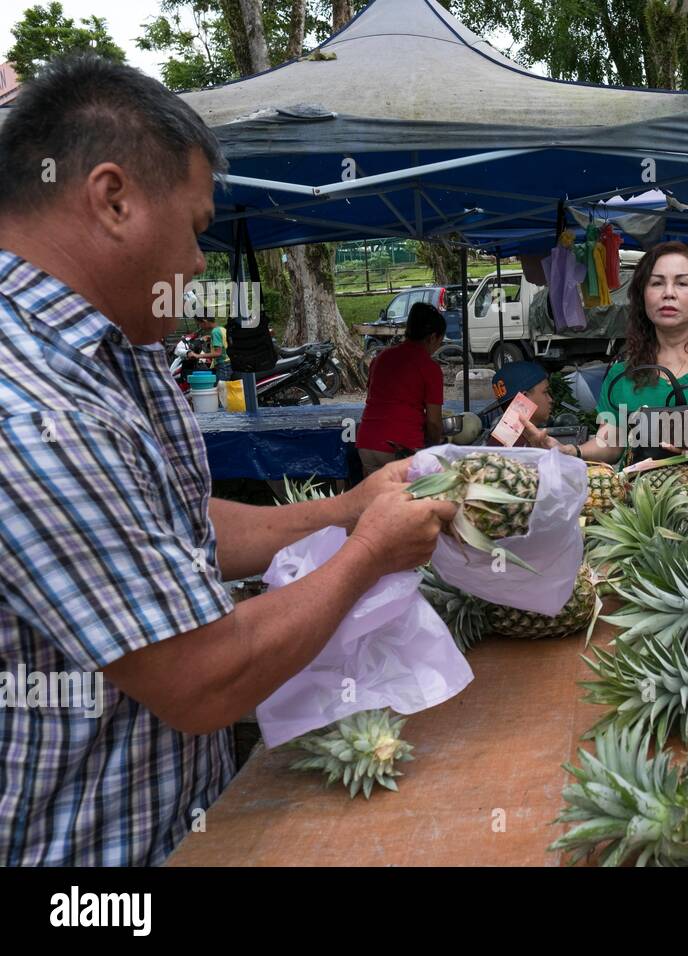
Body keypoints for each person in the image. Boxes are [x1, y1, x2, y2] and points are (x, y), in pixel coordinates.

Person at [0, 57, 455, 866]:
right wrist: (367, 552)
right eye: (197, 227)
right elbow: (202, 677)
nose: (202, 262)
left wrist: (346, 510)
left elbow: (175, 522)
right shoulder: (33, 408)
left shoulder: (118, 354)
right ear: (113, 200)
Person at [531, 241, 688, 463]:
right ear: (643, 296)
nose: (668, 293)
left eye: (682, 283)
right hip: (643, 504)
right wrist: (573, 452)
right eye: (657, 283)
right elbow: (610, 441)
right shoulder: (623, 367)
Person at [355, 302, 446, 475]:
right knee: (404, 500)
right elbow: (434, 422)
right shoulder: (429, 368)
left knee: (377, 500)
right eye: (439, 342)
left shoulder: (381, 358)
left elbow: (376, 399)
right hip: (400, 448)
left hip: (367, 444)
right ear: (433, 337)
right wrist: (435, 447)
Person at [192, 313, 232, 380]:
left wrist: (197, 355)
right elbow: (223, 341)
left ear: (205, 321)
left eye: (199, 324)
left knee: (221, 388)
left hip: (223, 364)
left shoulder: (215, 332)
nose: (199, 327)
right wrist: (211, 338)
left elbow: (217, 353)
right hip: (228, 362)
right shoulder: (221, 329)